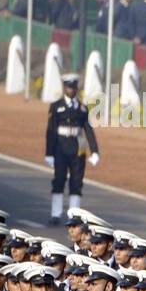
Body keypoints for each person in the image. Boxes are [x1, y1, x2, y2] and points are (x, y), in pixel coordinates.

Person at [44, 75, 100, 226]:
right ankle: (55, 214)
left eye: (74, 88)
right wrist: (49, 153)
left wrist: (94, 151)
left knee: (76, 181)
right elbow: (51, 131)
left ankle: (74, 215)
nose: (72, 90)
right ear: (65, 88)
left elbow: (88, 130)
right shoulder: (56, 106)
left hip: (77, 147)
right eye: (69, 87)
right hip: (60, 147)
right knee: (59, 180)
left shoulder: (82, 108)